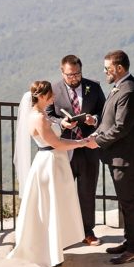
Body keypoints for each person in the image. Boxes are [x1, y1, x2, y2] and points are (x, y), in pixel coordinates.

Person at [8, 80, 97, 267]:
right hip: (49, 163)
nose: (53, 97)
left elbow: (54, 135)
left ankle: (53, 247)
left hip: (55, 161)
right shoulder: (38, 118)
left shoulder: (41, 114)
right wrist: (82, 143)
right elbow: (56, 144)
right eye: (50, 95)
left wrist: (64, 126)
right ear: (40, 97)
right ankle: (47, 252)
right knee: (49, 206)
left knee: (54, 205)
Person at [92, 50, 134, 265]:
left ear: (119, 69)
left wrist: (97, 141)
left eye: (107, 68)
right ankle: (129, 240)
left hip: (125, 157)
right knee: (125, 202)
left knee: (130, 202)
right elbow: (111, 120)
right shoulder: (121, 86)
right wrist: (96, 130)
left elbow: (121, 127)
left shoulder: (129, 90)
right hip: (118, 155)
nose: (105, 72)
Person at [46, 54, 106, 246]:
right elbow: (47, 115)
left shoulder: (94, 87)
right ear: (62, 72)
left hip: (88, 146)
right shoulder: (53, 89)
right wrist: (61, 122)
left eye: (77, 74)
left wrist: (93, 120)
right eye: (70, 75)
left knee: (87, 190)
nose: (74, 78)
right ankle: (62, 232)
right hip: (64, 147)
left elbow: (104, 112)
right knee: (62, 190)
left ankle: (87, 231)